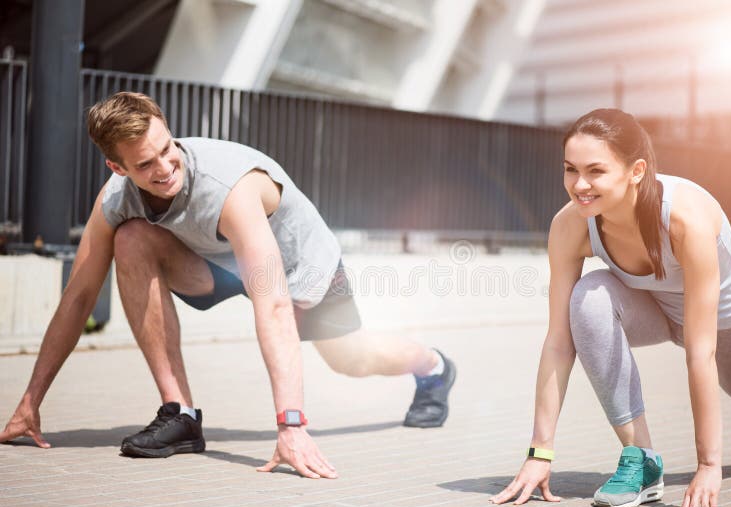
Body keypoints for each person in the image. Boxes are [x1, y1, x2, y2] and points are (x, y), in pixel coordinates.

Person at [0, 92, 456, 478]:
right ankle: (180, 414)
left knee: (351, 360)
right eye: (145, 163)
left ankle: (434, 367)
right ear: (117, 167)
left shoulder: (228, 187)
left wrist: (291, 426)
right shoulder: (116, 199)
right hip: (214, 261)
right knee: (132, 238)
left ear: (166, 127)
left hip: (298, 267)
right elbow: (78, 296)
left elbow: (273, 304)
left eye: (166, 147)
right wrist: (30, 401)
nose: (164, 167)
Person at [489, 108, 731, 507]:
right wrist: (539, 453)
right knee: (588, 299)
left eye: (595, 171)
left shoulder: (685, 217)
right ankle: (641, 458)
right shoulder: (570, 226)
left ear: (636, 170)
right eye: (570, 170)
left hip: (724, 322)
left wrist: (709, 466)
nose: (579, 185)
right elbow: (560, 343)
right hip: (652, 309)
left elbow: (700, 352)